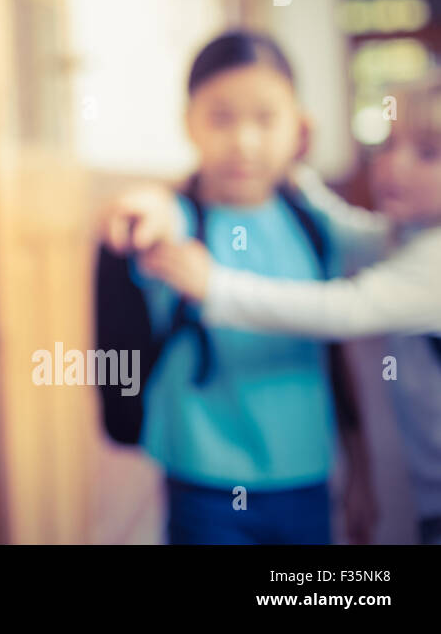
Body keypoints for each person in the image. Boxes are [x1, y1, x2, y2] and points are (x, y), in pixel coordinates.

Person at [115, 71, 441, 544]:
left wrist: (216, 288)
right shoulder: (406, 235)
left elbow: (342, 310)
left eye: (428, 152)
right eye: (387, 145)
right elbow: (344, 225)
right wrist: (288, 161)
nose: (393, 166)